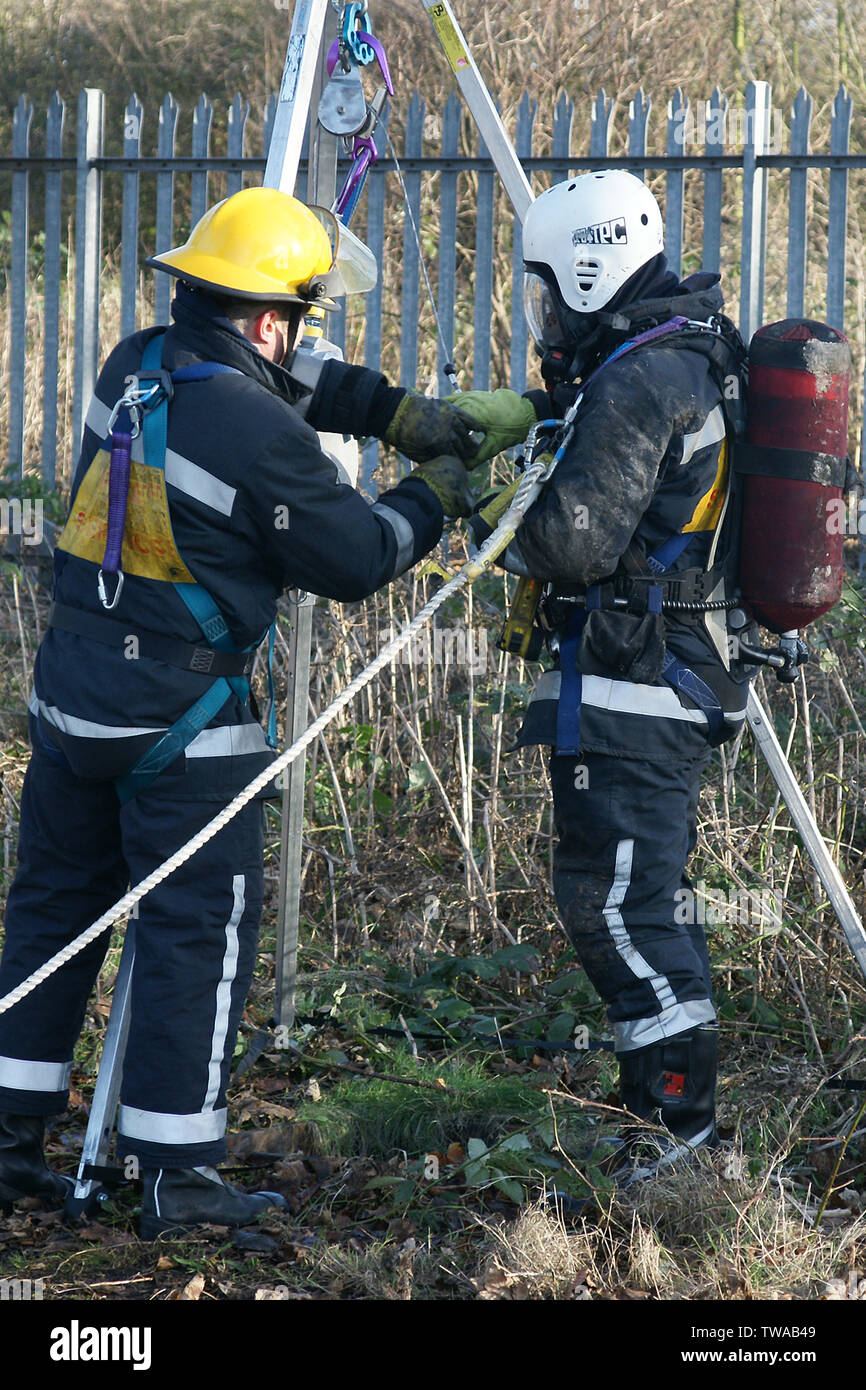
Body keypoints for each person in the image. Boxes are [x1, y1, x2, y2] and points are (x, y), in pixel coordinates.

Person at [0, 186, 536, 1236]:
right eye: (297, 318)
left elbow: (283, 382)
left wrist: (390, 409)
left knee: (51, 915)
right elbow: (359, 557)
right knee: (197, 929)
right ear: (264, 320)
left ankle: (10, 1135)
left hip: (71, 702)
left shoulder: (137, 364)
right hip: (183, 725)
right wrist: (439, 478)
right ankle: (177, 1168)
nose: (302, 340)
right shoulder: (257, 432)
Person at [472, 169, 752, 1182]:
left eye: (549, 287)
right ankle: (658, 1139)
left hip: (635, 688)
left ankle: (677, 1146)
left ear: (586, 273)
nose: (546, 309)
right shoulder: (688, 355)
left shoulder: (639, 379)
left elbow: (572, 541)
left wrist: (473, 489)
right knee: (631, 906)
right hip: (664, 680)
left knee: (620, 911)